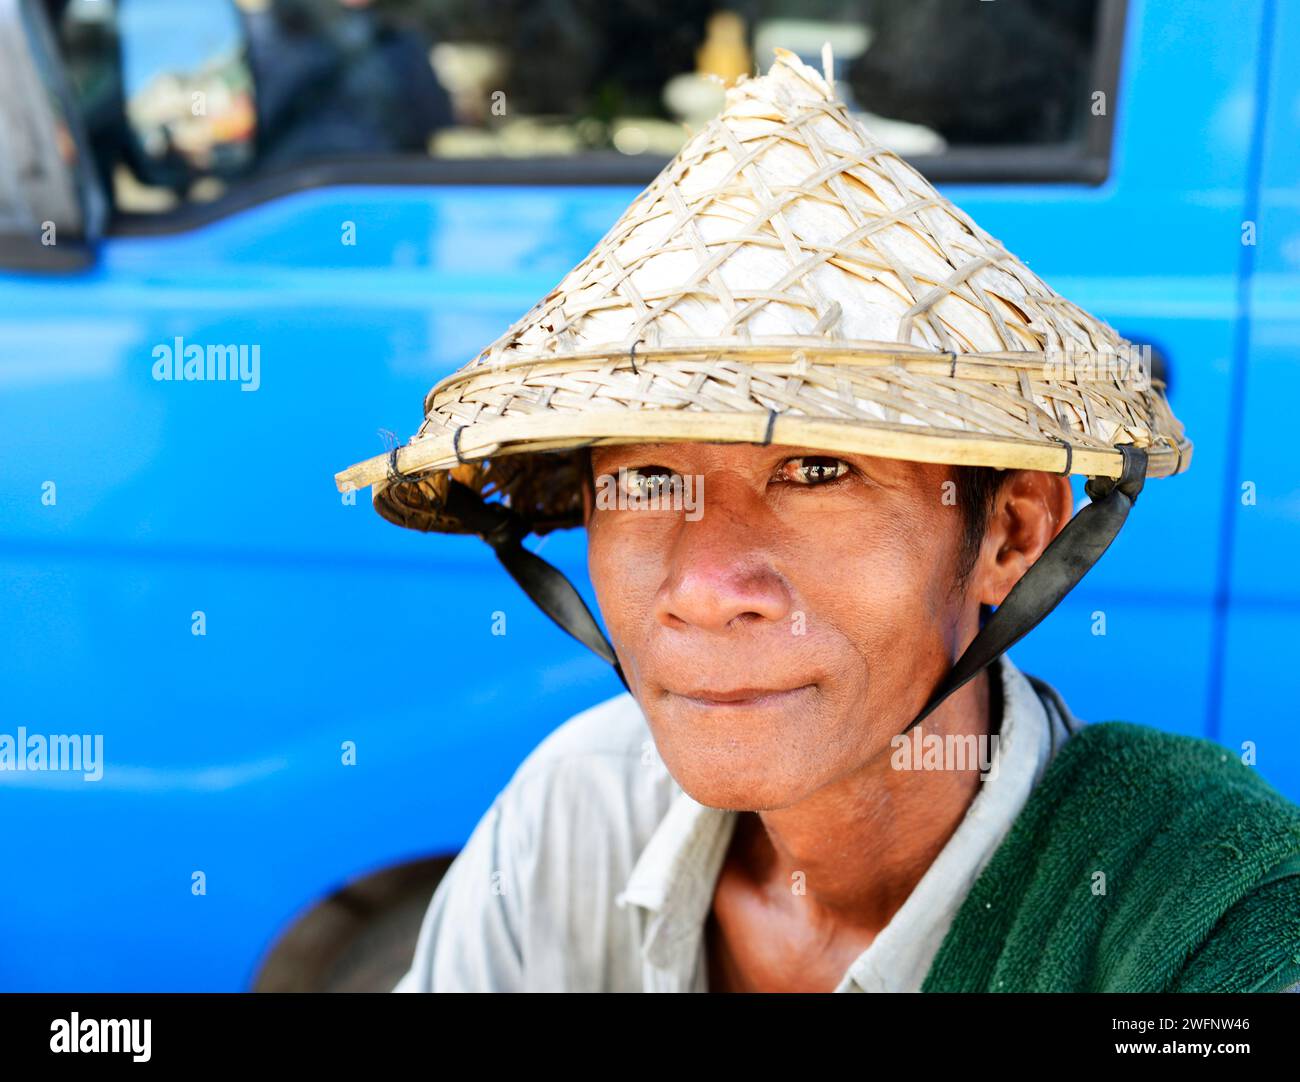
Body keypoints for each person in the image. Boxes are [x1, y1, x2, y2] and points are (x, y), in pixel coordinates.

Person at [335, 48, 1300, 993]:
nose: (708, 590)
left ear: (1010, 534)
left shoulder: (1205, 917)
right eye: (648, 480)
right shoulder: (574, 808)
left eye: (818, 469)